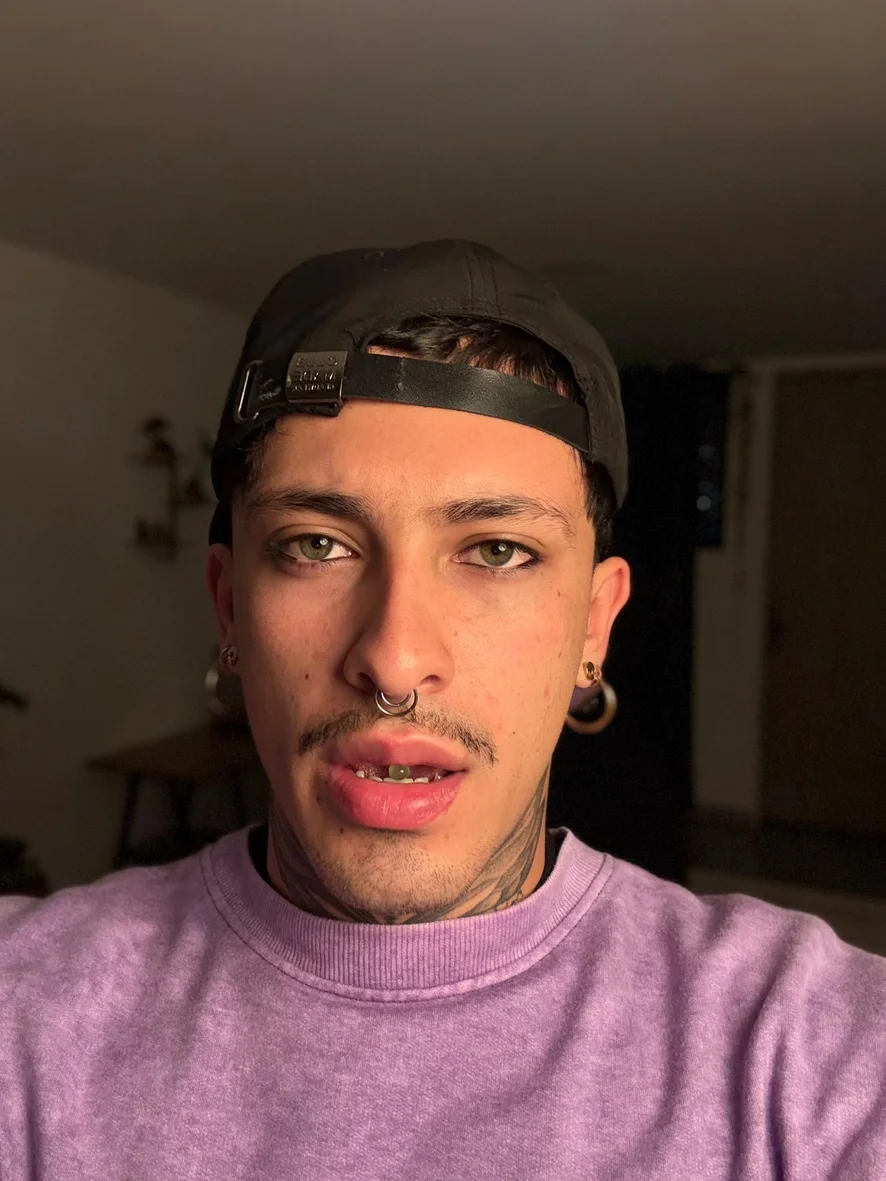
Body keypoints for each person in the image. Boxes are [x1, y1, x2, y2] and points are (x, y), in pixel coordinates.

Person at [1, 240, 884, 1179]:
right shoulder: (27, 1013)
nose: (394, 658)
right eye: (316, 544)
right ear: (229, 608)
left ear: (594, 624)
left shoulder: (806, 1051)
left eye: (498, 550)